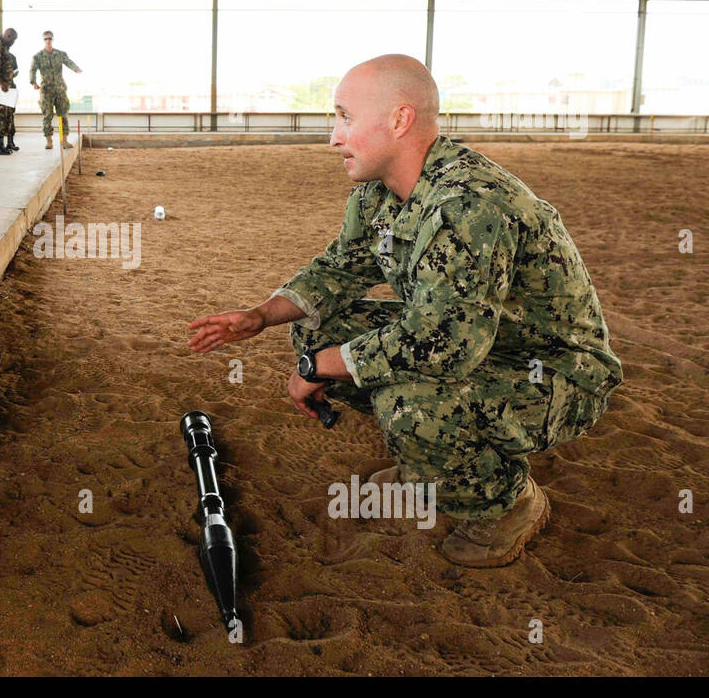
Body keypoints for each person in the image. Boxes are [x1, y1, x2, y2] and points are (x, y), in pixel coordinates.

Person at [188, 54, 622, 568]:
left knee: (409, 396)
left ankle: (506, 504)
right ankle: (431, 467)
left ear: (399, 120)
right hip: (478, 343)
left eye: (346, 117)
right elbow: (339, 270)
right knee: (320, 327)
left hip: (552, 371)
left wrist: (318, 368)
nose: (333, 136)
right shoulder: (381, 193)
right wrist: (259, 316)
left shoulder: (469, 206)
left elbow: (441, 344)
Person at [29, 30, 81, 149]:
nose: (48, 41)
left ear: (53, 39)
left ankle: (64, 141)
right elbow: (32, 69)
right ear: (43, 40)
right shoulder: (37, 56)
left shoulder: (60, 54)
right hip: (46, 90)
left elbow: (68, 62)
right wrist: (33, 82)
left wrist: (76, 68)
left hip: (60, 89)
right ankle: (49, 141)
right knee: (47, 115)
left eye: (50, 38)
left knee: (63, 115)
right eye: (45, 39)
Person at [0, 27, 19, 155]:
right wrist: (0, 83)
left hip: (6, 88)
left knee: (5, 117)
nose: (11, 39)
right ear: (4, 35)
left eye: (13, 38)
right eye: (9, 36)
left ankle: (2, 145)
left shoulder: (7, 50)